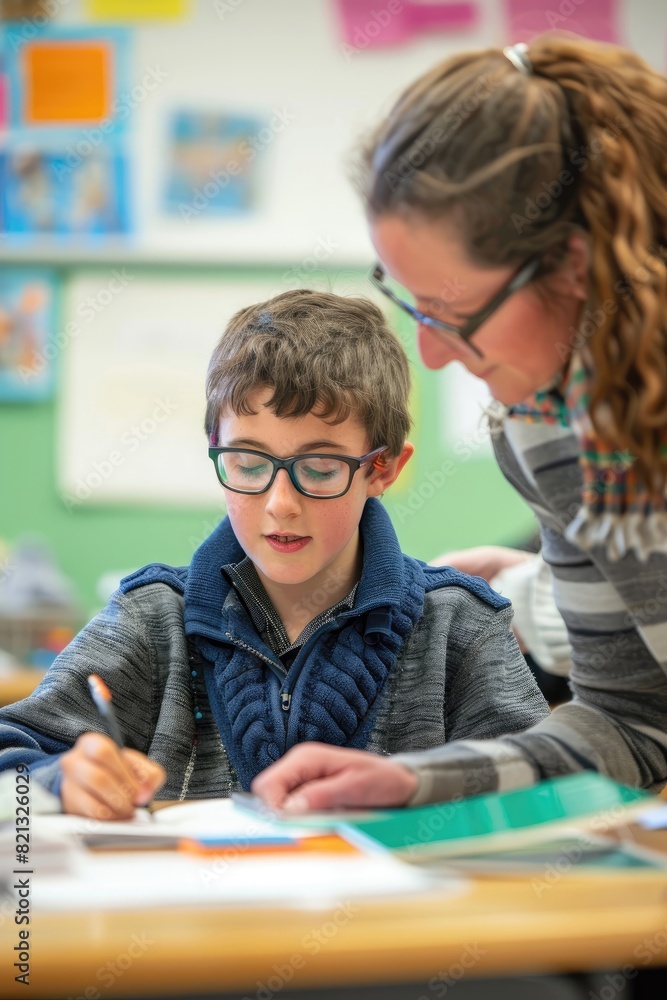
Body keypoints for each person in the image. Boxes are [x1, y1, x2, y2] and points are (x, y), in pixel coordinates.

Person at [251, 34, 667, 814]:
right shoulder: (544, 428)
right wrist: (420, 779)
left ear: (573, 264)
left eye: (450, 313)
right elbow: (633, 723)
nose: (431, 356)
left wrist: (537, 600)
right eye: (412, 307)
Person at [0, 290, 548, 819]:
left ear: (382, 469)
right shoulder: (152, 619)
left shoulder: (460, 628)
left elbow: (548, 792)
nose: (280, 504)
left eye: (319, 468)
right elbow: (10, 758)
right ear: (216, 450)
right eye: (248, 462)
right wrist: (60, 780)